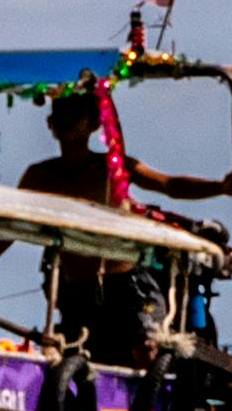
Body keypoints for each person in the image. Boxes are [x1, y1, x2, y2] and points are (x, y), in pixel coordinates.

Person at [20, 86, 160, 386]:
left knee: (146, 351)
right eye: (60, 113)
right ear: (50, 124)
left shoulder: (112, 168)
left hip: (125, 287)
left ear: (94, 123)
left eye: (75, 114)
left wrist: (224, 186)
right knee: (69, 360)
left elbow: (170, 185)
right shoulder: (39, 176)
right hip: (75, 291)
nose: (67, 120)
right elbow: (3, 233)